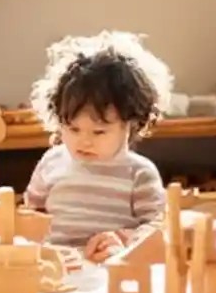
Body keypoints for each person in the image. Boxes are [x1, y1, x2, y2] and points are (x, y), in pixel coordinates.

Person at [23, 31, 172, 261]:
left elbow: (158, 229)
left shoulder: (138, 174)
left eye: (99, 131)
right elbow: (30, 215)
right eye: (73, 129)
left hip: (111, 266)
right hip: (57, 264)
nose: (84, 140)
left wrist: (121, 239)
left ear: (131, 124)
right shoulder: (51, 162)